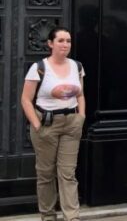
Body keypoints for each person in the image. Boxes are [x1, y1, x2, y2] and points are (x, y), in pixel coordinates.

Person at [20, 26, 85, 221]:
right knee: (46, 174)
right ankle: (48, 216)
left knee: (67, 173)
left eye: (68, 41)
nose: (65, 44)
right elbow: (25, 99)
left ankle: (72, 217)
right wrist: (37, 125)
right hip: (46, 124)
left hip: (71, 123)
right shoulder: (39, 67)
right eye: (61, 41)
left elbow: (81, 94)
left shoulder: (77, 66)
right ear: (50, 44)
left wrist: (80, 116)